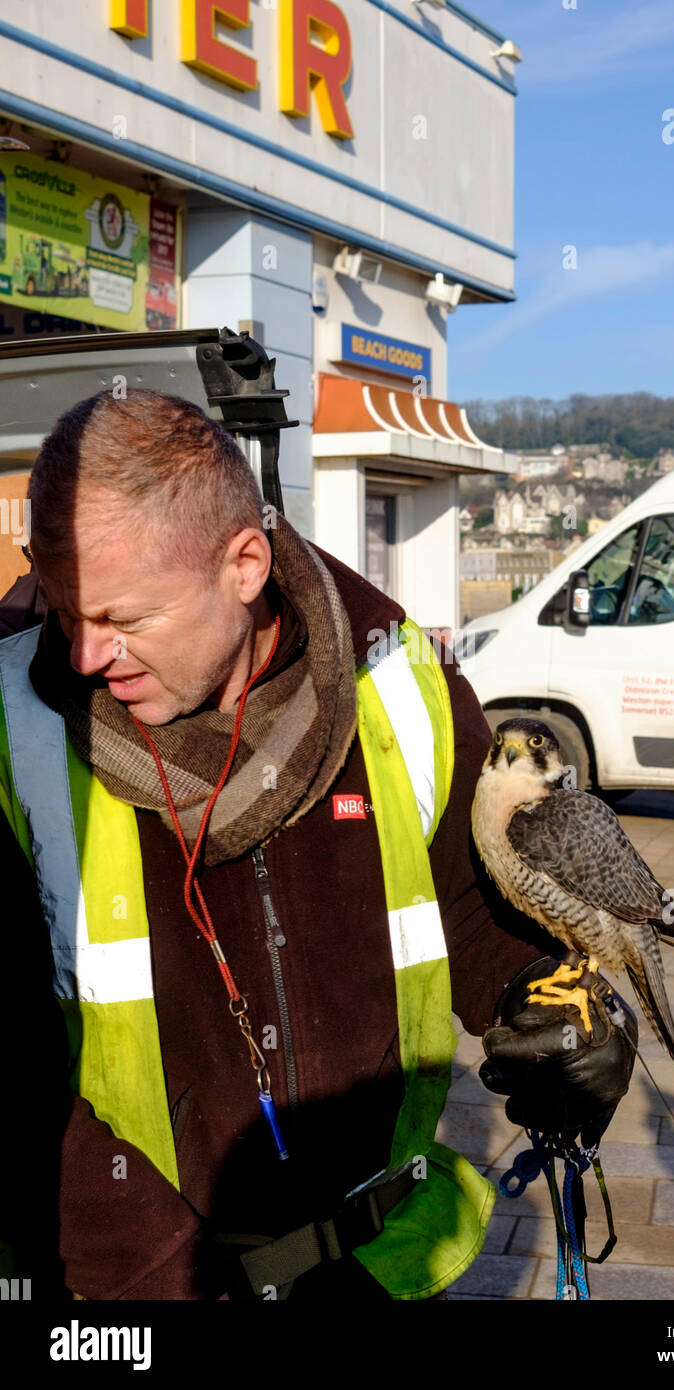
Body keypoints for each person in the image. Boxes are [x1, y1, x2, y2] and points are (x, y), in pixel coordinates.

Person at [0, 389, 632, 1302]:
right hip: (132, 1292)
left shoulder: (400, 685)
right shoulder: (13, 732)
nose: (89, 654)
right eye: (68, 611)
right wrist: (157, 1273)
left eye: (126, 619)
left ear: (244, 564)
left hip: (385, 1263)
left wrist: (550, 1013)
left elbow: (470, 903)